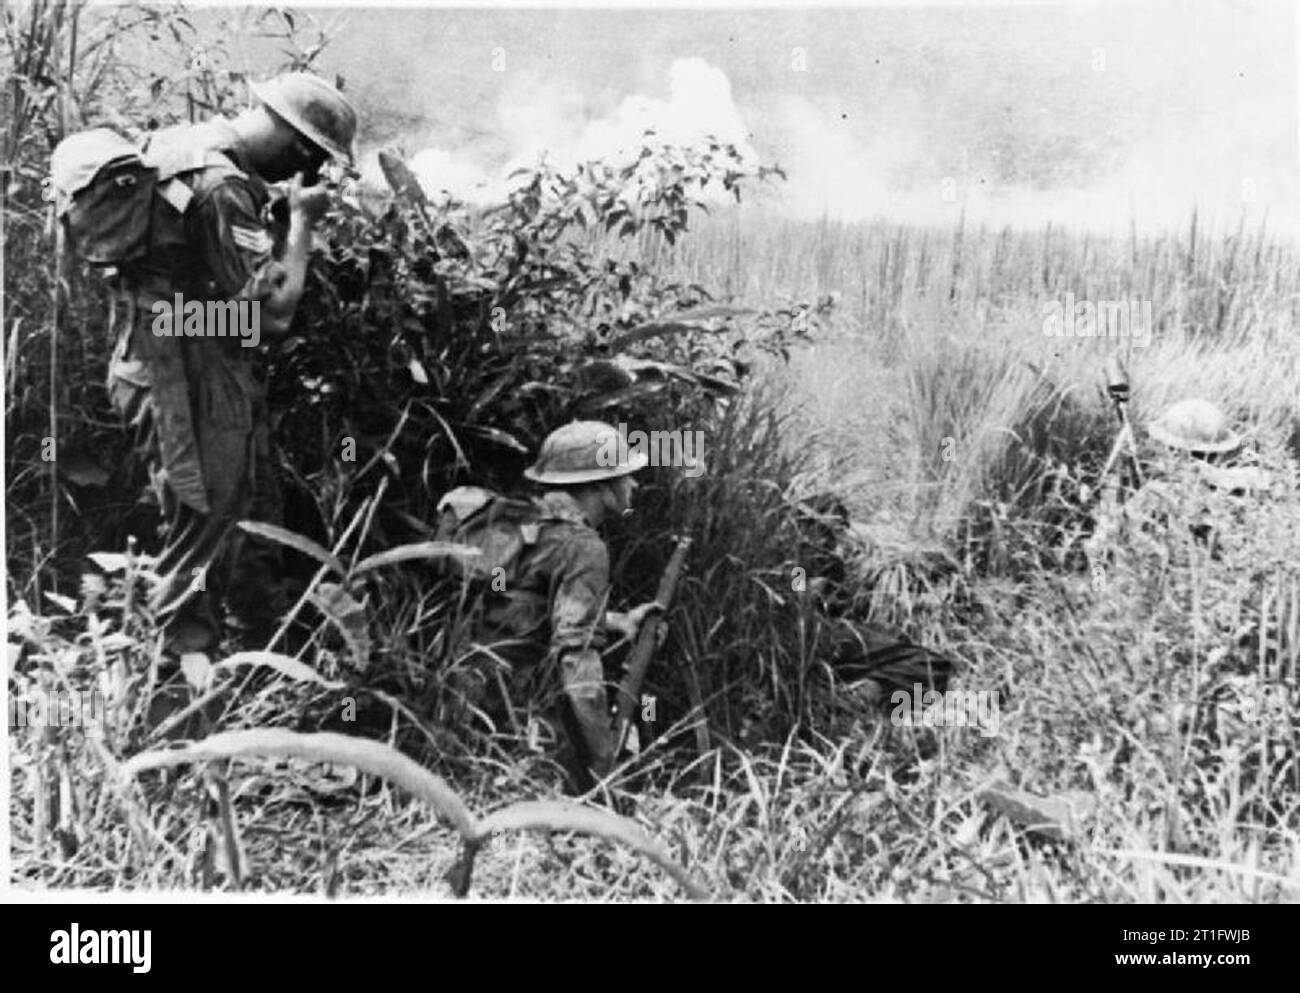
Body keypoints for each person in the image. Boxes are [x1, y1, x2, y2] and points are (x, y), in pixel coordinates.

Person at [105, 72, 357, 653]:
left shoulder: (176, 145)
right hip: (186, 377)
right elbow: (270, 318)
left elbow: (189, 283)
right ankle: (176, 700)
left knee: (246, 515)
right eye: (315, 162)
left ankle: (250, 660)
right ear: (300, 147)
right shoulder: (224, 187)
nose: (310, 175)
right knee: (203, 534)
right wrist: (301, 226)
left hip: (157, 349)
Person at [445, 420, 663, 792]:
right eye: (625, 474)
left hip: (453, 708)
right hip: (514, 722)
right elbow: (577, 662)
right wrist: (603, 763)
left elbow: (522, 606)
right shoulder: (583, 547)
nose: (634, 484)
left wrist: (618, 621)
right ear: (599, 485)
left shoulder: (517, 522)